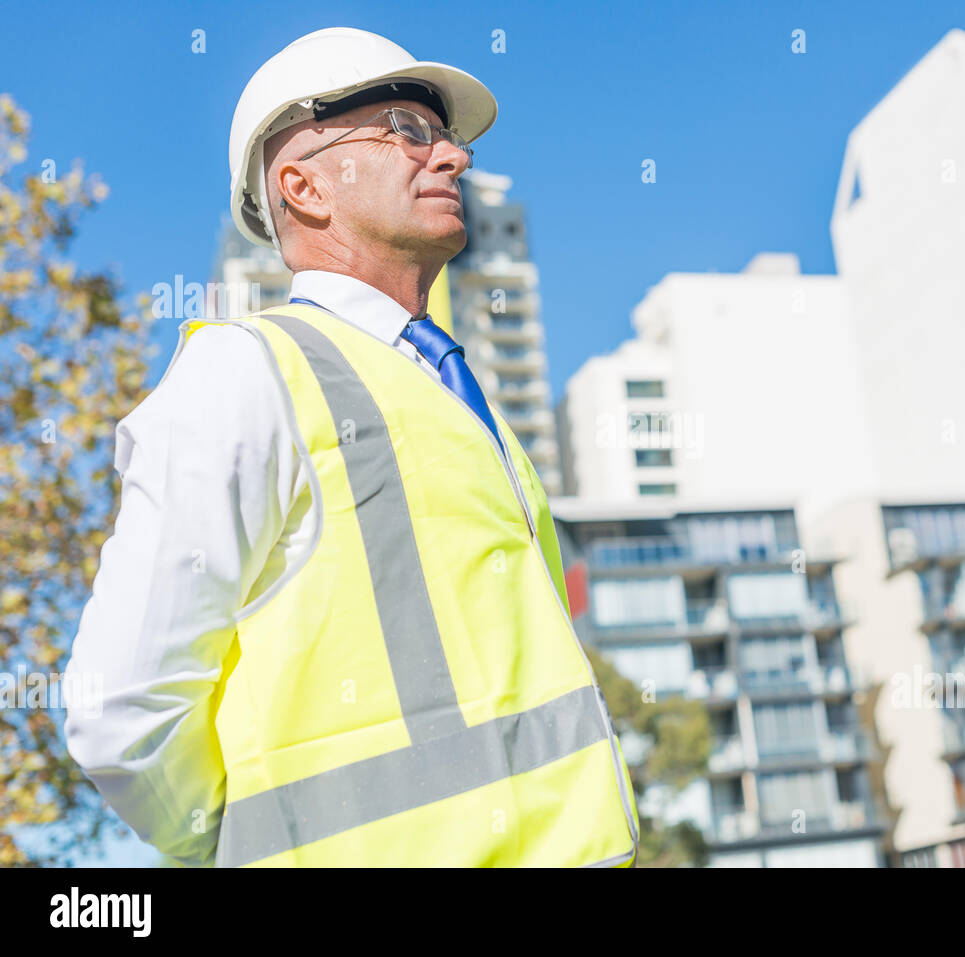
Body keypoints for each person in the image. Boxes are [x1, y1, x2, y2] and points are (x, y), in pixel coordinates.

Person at [63, 26, 639, 868]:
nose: (453, 159)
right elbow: (117, 710)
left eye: (448, 137)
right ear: (302, 186)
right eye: (409, 128)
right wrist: (249, 845)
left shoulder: (460, 402)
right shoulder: (246, 372)